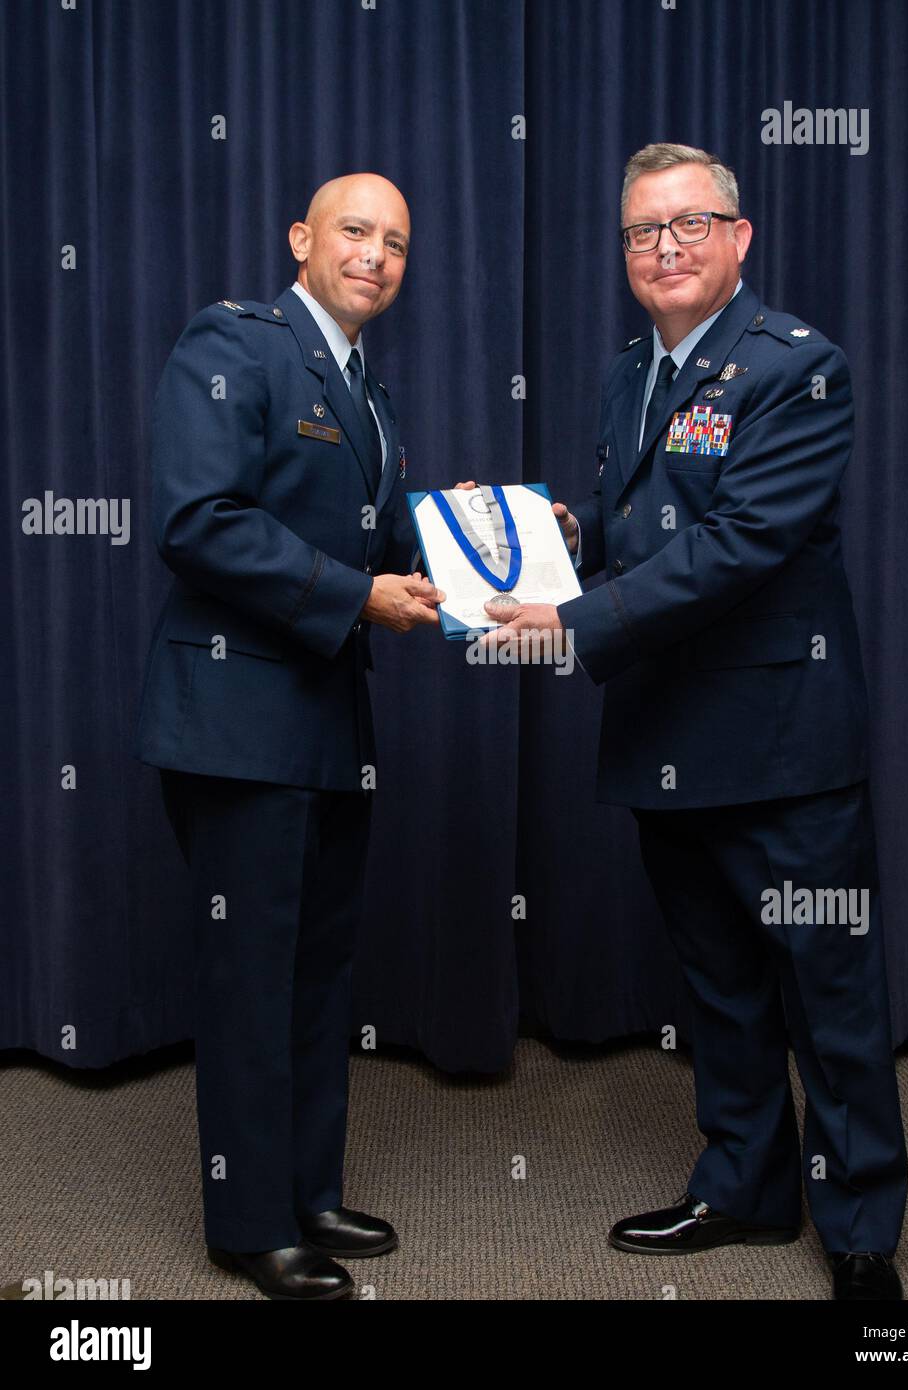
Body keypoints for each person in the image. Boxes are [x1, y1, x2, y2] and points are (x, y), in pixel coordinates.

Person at [484, 143, 908, 1301]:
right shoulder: (632, 372)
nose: (662, 248)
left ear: (738, 236)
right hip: (666, 735)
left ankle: (862, 1233)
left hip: (782, 745)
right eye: (639, 233)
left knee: (826, 993)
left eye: (687, 224)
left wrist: (567, 624)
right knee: (716, 988)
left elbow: (738, 548)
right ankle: (743, 1187)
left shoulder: (798, 365)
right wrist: (551, 538)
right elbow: (646, 529)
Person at [134, 173, 444, 1300]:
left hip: (326, 718)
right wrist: (360, 597)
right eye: (354, 231)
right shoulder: (235, 340)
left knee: (316, 973)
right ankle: (248, 1220)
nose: (374, 255)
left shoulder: (363, 386)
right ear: (301, 238)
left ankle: (307, 1188)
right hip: (237, 717)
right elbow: (197, 520)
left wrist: (473, 538)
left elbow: (369, 529)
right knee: (251, 978)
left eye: (396, 242)